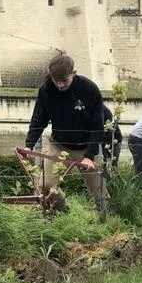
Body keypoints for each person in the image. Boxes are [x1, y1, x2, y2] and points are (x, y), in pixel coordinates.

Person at [24, 53, 106, 210]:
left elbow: (98, 125)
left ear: (73, 73)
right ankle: (62, 211)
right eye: (56, 81)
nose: (60, 85)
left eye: (64, 81)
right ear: (50, 76)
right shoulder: (46, 91)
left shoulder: (89, 89)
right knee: (45, 185)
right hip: (59, 146)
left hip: (86, 147)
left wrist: (89, 156)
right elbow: (38, 120)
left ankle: (107, 222)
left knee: (99, 194)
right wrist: (29, 145)